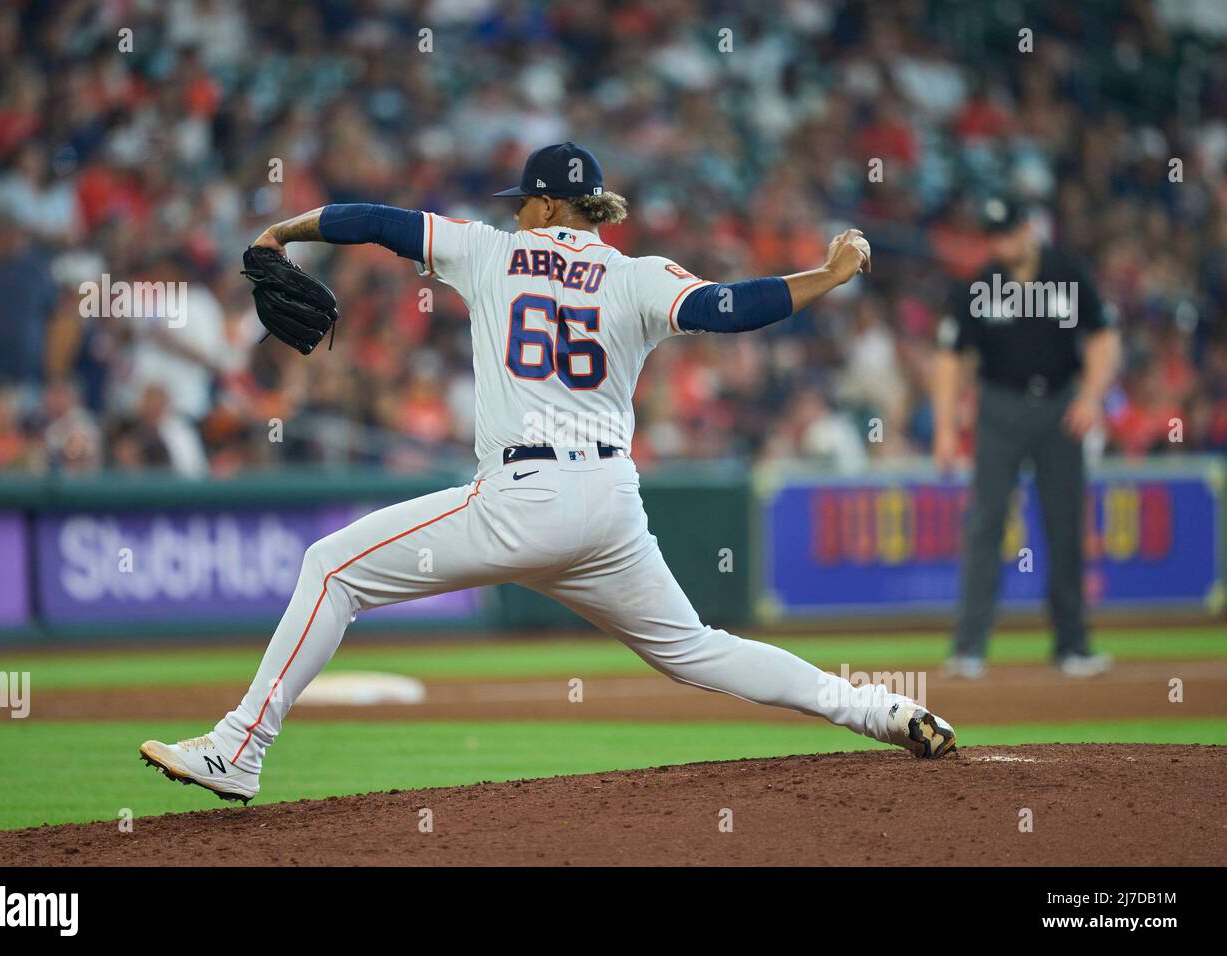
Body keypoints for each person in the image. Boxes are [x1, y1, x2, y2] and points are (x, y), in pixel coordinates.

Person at [139, 142, 955, 804]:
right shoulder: (639, 274)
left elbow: (376, 222)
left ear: (542, 205)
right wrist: (829, 275)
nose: (514, 210)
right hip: (608, 509)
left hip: (522, 502)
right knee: (700, 649)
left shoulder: (488, 251)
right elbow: (729, 309)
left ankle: (238, 750)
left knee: (331, 568)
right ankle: (880, 709)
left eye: (521, 198)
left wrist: (284, 230)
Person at [933, 196, 1121, 680]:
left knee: (1065, 526)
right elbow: (951, 357)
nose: (1001, 242)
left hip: (1061, 407)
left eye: (1008, 232)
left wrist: (1092, 397)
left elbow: (1103, 336)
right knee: (985, 525)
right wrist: (945, 429)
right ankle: (969, 648)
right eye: (993, 235)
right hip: (999, 406)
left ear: (1027, 229)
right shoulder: (979, 285)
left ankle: (1073, 646)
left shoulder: (1067, 271)